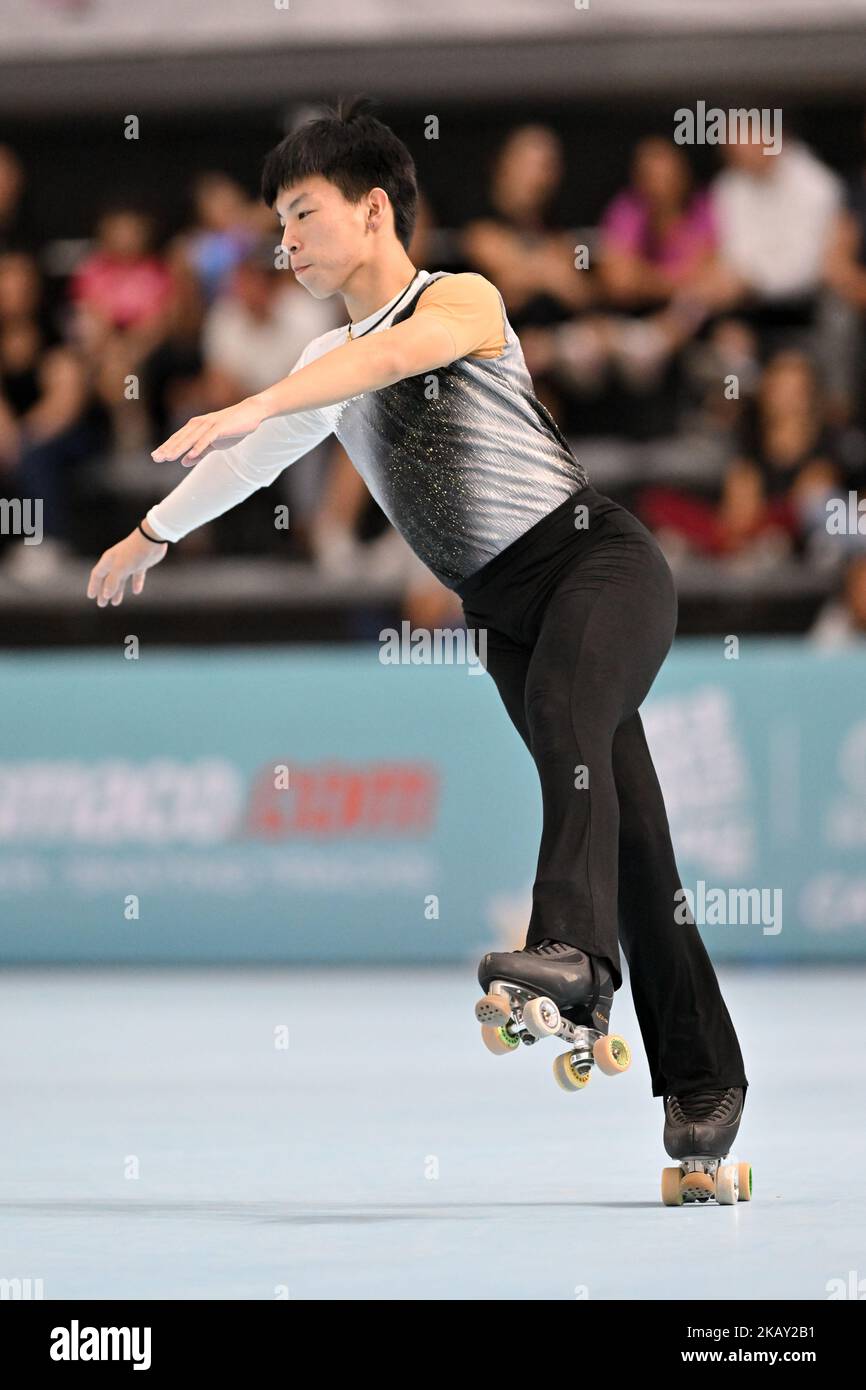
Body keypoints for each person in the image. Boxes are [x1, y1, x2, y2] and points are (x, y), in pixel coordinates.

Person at [85, 97, 748, 1171]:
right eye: (278, 225)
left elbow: (395, 362)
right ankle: (704, 1083)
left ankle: (573, 956)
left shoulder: (461, 297)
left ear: (375, 208)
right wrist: (152, 530)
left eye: (301, 216)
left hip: (598, 568)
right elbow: (262, 454)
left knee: (564, 716)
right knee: (633, 842)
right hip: (506, 613)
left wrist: (260, 398)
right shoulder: (325, 359)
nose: (284, 242)